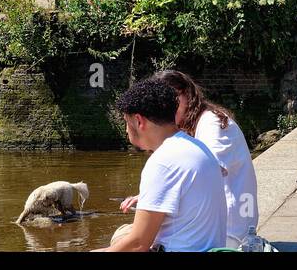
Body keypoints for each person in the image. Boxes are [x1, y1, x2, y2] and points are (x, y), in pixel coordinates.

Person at [120, 71, 259, 249]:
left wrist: (158, 192)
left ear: (187, 94)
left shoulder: (212, 123)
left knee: (127, 238)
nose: (166, 104)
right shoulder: (188, 131)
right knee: (127, 234)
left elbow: (206, 171)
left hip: (230, 231)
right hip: (214, 226)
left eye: (172, 98)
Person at [99, 77, 226, 252]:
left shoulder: (162, 162)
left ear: (138, 121)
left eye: (126, 123)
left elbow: (139, 244)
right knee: (122, 234)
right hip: (209, 247)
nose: (127, 130)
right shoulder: (196, 146)